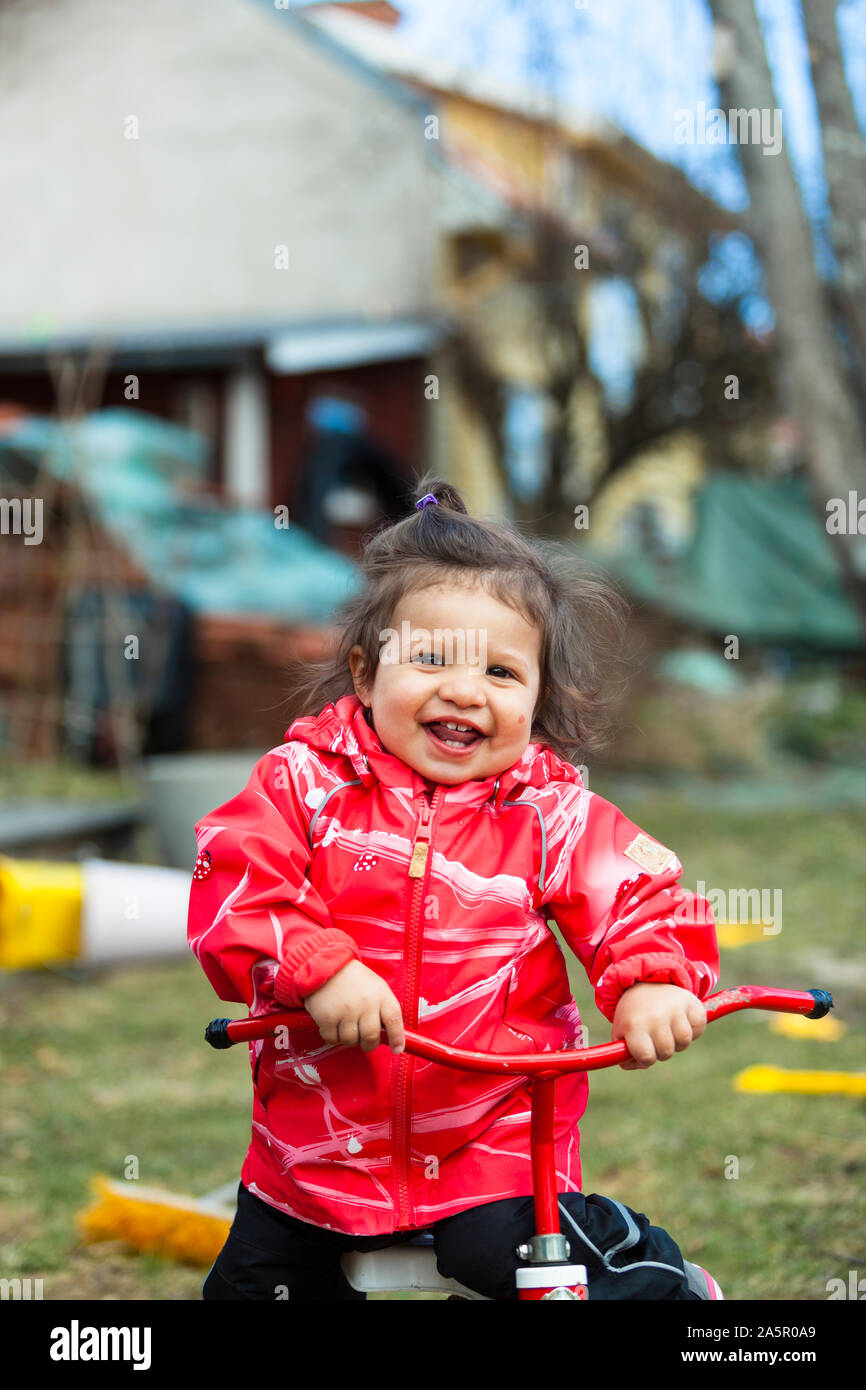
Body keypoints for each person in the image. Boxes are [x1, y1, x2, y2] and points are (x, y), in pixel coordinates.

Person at [188, 476, 723, 1302]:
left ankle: (663, 1282)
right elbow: (234, 877)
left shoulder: (549, 812)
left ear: (539, 695)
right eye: (431, 660)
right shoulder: (302, 784)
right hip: (317, 1140)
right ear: (365, 677)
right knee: (254, 1290)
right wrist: (318, 965)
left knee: (517, 1261)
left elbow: (638, 891)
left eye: (503, 672)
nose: (466, 690)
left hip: (494, 1137)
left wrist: (653, 977)